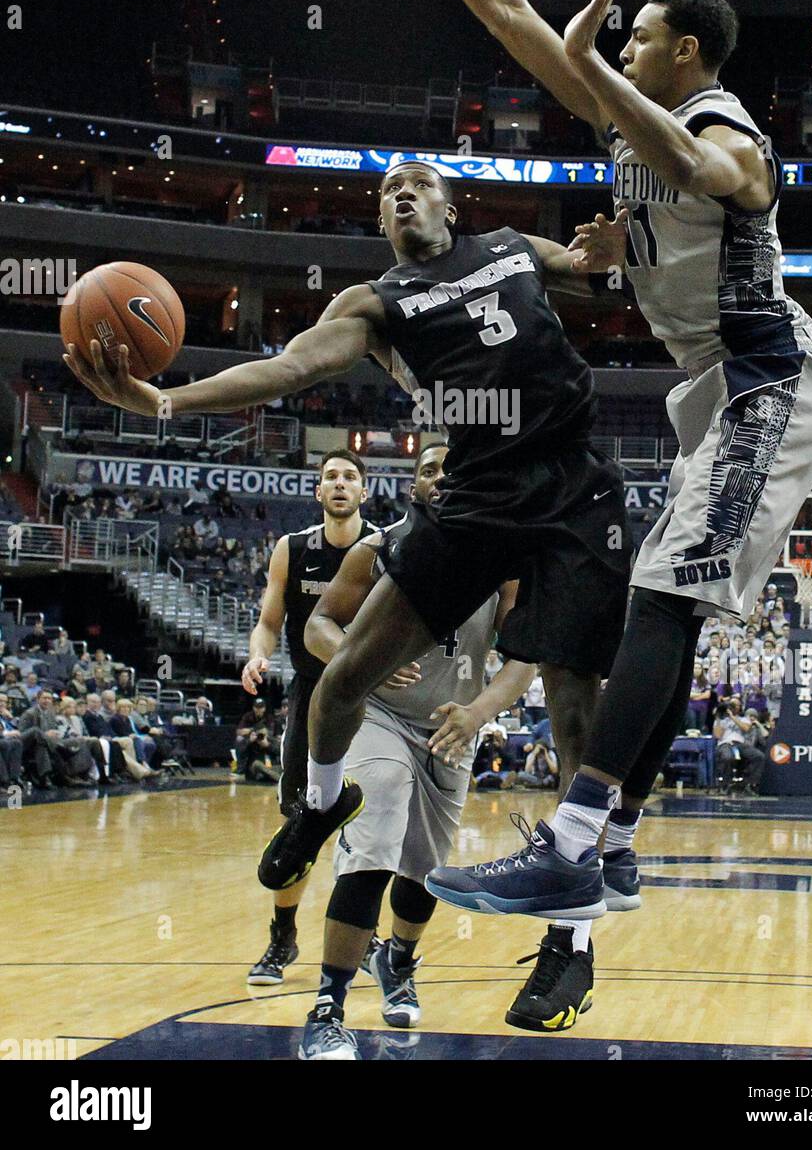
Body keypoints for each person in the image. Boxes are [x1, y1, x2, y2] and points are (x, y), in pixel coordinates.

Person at [351, 0, 812, 975]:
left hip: (770, 380)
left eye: (639, 37)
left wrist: (609, 89)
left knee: (663, 600)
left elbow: (711, 177)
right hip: (713, 395)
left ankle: (576, 838)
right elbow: (507, 14)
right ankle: (610, 848)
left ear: (684, 55)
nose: (621, 43)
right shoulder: (636, 109)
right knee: (648, 614)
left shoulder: (730, 130)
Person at [64, 108, 634, 1028]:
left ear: (449, 205)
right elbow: (285, 369)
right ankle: (317, 810)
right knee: (339, 682)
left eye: (413, 184)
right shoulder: (373, 305)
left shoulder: (509, 246)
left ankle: (570, 950)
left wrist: (603, 250)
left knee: (575, 707)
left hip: (573, 485)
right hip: (473, 496)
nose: (398, 194)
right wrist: (167, 401)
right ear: (382, 225)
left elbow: (593, 272)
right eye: (383, 194)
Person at [296, 443, 534, 1058]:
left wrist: (480, 711)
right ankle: (328, 1006)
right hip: (380, 716)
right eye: (429, 469)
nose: (442, 477)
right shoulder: (374, 551)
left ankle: (397, 960)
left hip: (454, 726)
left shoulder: (503, 562)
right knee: (372, 844)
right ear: (412, 485)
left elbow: (523, 659)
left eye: (452, 467)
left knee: (423, 869)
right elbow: (316, 624)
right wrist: (355, 655)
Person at [242, 449, 380, 985]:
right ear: (318, 492)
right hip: (311, 693)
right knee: (300, 821)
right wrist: (258, 653)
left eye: (350, 476)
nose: (340, 483)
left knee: (372, 824)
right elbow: (269, 621)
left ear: (364, 492)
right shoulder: (291, 549)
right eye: (330, 477)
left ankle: (362, 938)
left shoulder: (383, 547)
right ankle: (282, 937)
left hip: (371, 695)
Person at [713, 699, 765, 794]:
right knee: (727, 757)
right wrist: (718, 718)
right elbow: (718, 736)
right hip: (725, 743)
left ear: (740, 707)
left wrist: (732, 717)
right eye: (731, 705)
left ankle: (749, 784)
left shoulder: (744, 719)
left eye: (735, 705)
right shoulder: (721, 720)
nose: (732, 707)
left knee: (759, 756)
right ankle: (725, 784)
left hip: (740, 743)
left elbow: (745, 728)